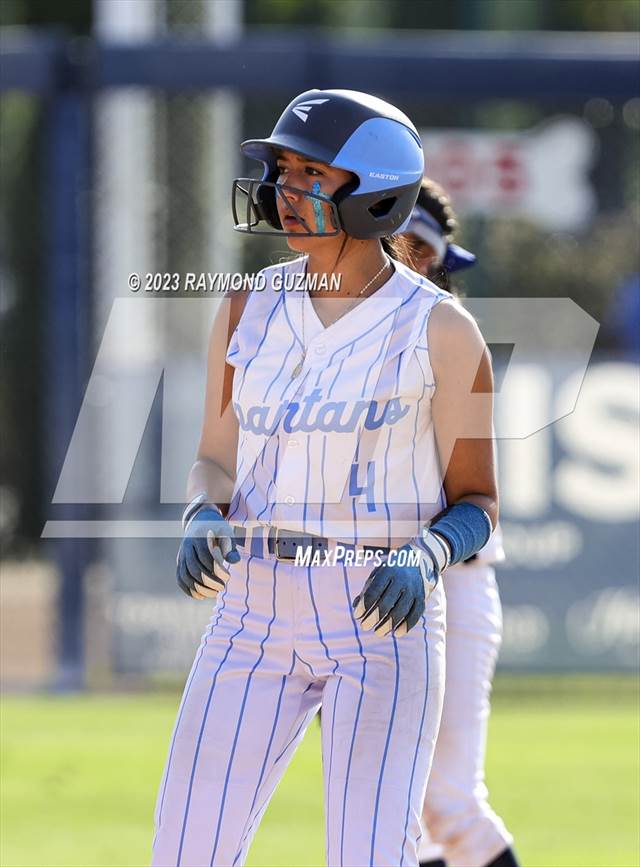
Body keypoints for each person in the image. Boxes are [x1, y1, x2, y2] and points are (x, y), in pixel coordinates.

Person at [151, 89, 499, 867]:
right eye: (281, 167)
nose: (285, 186)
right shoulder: (247, 306)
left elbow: (478, 502)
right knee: (183, 855)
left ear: (376, 194)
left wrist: (427, 555)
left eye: (312, 170)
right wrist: (201, 513)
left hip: (379, 623)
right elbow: (216, 460)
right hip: (251, 614)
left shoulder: (442, 329)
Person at [404, 179, 519, 867]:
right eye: (405, 244)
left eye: (430, 252)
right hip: (365, 592)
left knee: (448, 802)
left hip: (453, 579)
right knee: (397, 813)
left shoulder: (447, 337)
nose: (420, 264)